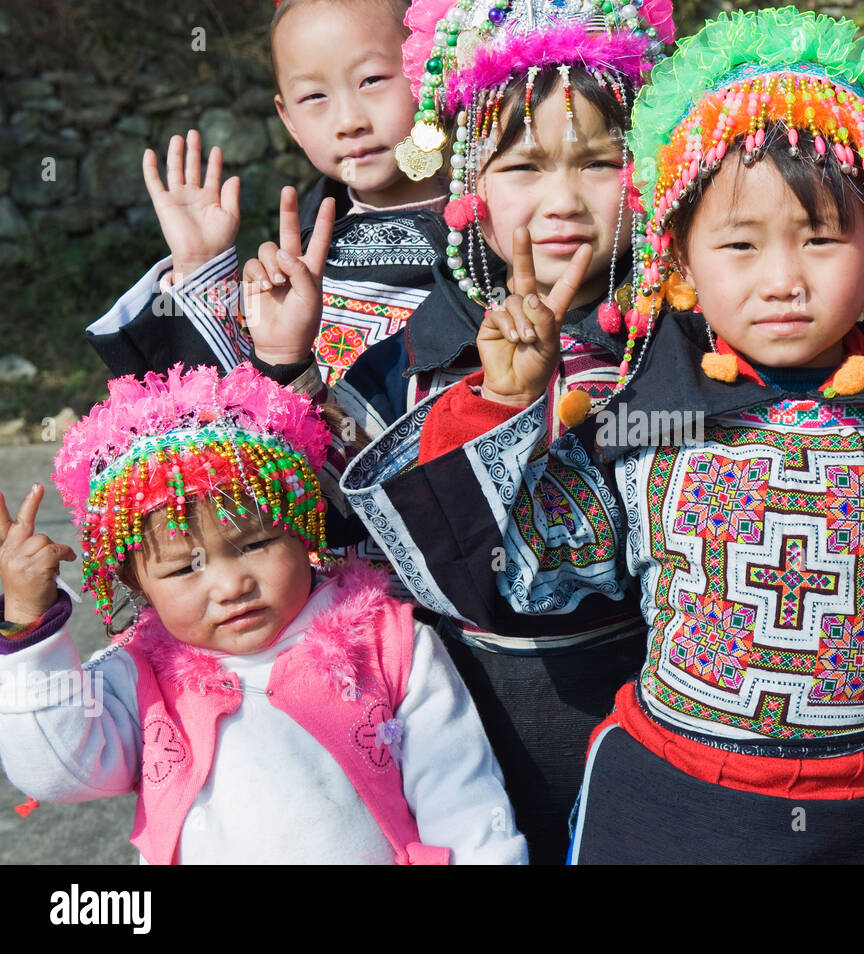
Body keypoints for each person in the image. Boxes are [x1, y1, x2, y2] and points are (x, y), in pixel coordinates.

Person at [345, 7, 864, 863]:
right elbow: (537, 574)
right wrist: (502, 404)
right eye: (741, 243)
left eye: (822, 239)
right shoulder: (643, 414)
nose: (784, 281)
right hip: (661, 807)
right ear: (680, 259)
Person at [323, 0, 676, 864]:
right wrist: (280, 361)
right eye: (522, 166)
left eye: (599, 162)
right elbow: (329, 533)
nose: (562, 200)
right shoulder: (409, 360)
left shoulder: (688, 346)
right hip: (458, 745)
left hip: (656, 747)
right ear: (466, 188)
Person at [0, 364, 526, 864]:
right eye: (186, 569)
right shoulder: (138, 677)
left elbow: (465, 806)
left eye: (255, 545)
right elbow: (59, 770)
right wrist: (28, 624)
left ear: (303, 528)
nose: (231, 585)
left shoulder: (389, 646)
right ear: (138, 586)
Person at [85, 0, 449, 389]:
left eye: (372, 79)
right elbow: (231, 419)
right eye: (314, 97)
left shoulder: (494, 236)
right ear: (289, 120)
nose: (349, 121)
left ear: (431, 71)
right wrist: (198, 268)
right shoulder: (295, 263)